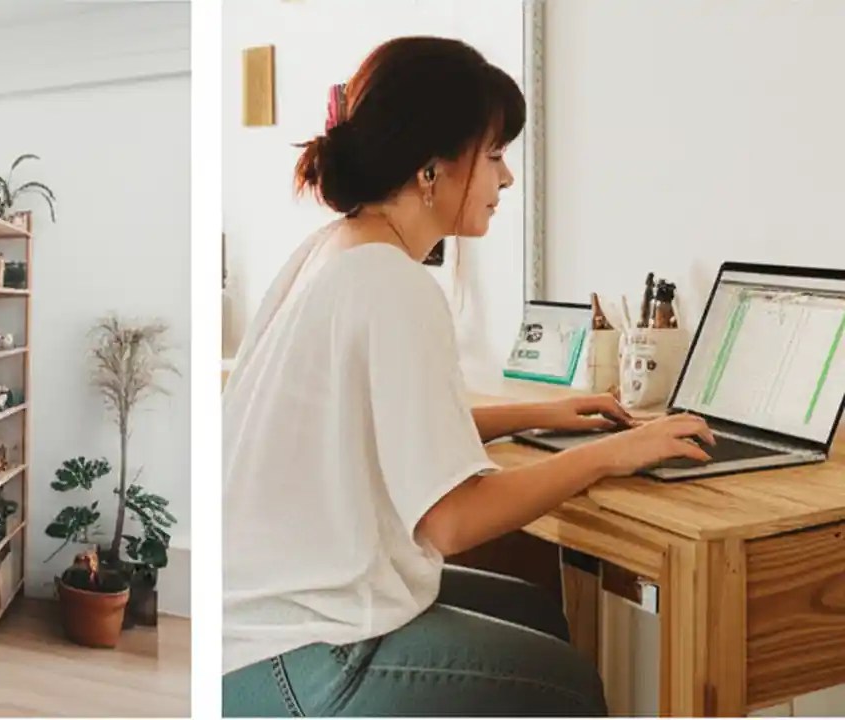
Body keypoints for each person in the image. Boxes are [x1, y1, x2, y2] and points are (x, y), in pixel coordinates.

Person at [220, 36, 714, 717]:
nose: (506, 179)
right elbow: (451, 520)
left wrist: (536, 415)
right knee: (567, 684)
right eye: (494, 155)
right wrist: (613, 453)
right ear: (433, 168)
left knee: (535, 612)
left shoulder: (333, 250)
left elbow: (375, 430)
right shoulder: (393, 283)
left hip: (252, 633)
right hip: (300, 654)